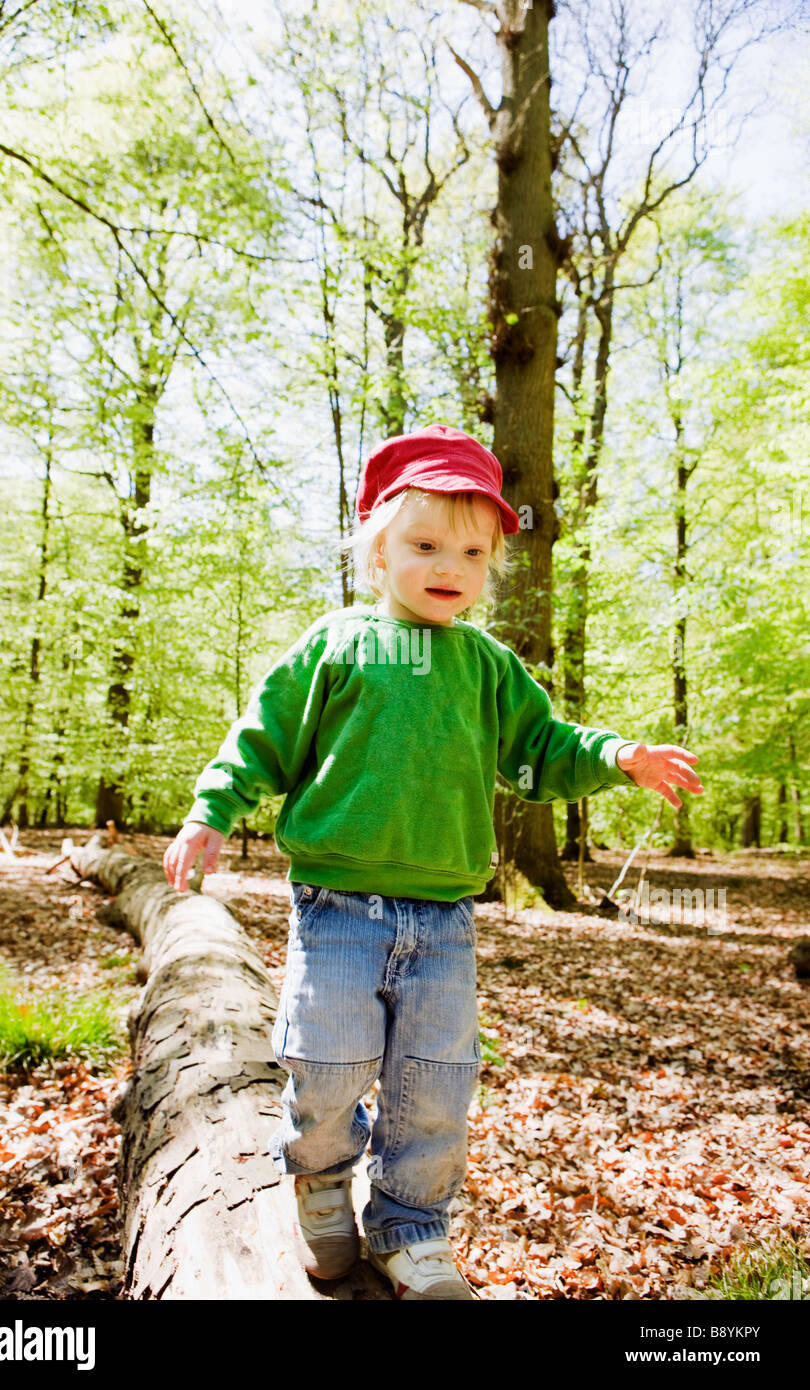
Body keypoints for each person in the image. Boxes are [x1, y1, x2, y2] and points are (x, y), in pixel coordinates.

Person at [163, 424, 703, 1300]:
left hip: (445, 916)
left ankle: (412, 1226)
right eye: (423, 544)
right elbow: (260, 738)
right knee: (327, 1064)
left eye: (472, 551)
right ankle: (323, 1181)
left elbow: (541, 746)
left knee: (435, 1085)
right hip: (337, 904)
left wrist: (616, 755)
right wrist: (211, 812)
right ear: (377, 552)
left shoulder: (488, 666)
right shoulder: (337, 645)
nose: (449, 564)